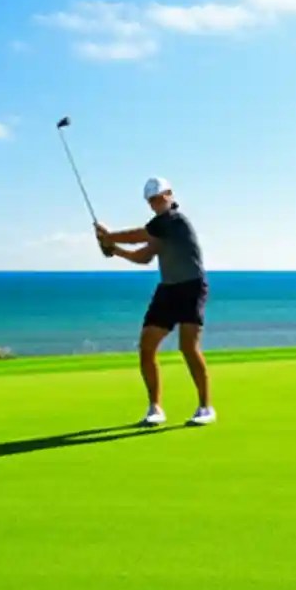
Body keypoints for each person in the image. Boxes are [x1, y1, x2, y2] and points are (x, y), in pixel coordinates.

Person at [96, 177, 214, 426]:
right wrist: (114, 249)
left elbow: (140, 235)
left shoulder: (175, 221)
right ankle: (155, 408)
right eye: (151, 200)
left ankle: (205, 407)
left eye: (159, 197)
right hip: (168, 290)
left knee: (188, 346)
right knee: (147, 346)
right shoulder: (160, 228)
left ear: (170, 195)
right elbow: (143, 257)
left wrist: (110, 237)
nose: (155, 202)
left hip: (192, 287)